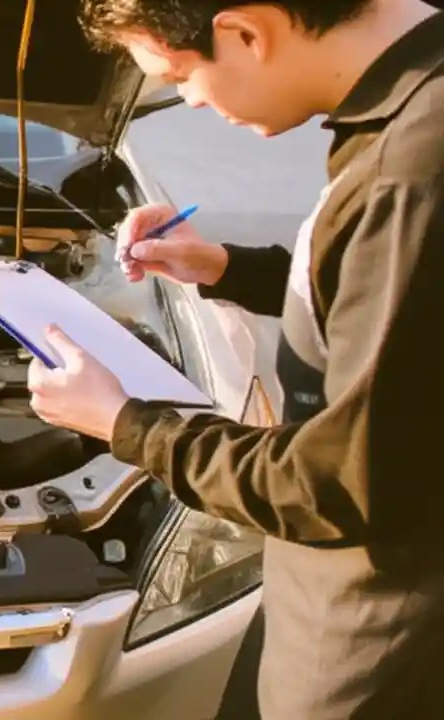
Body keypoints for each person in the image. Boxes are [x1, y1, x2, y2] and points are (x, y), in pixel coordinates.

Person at [27, 1, 444, 718]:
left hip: (374, 641)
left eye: (180, 77)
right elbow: (406, 324)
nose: (188, 101)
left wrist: (127, 424)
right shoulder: (416, 121)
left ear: (246, 31)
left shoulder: (408, 172)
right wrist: (227, 269)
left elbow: (340, 484)